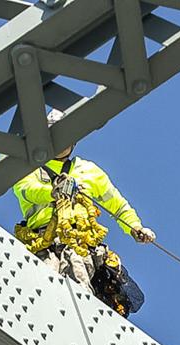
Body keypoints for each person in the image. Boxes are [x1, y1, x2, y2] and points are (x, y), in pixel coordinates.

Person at [13, 110, 154, 317]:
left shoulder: (89, 171)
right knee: (48, 289)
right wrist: (53, 192)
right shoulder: (30, 168)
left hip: (82, 248)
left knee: (83, 295)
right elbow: (25, 190)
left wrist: (135, 227)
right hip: (48, 242)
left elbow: (117, 205)